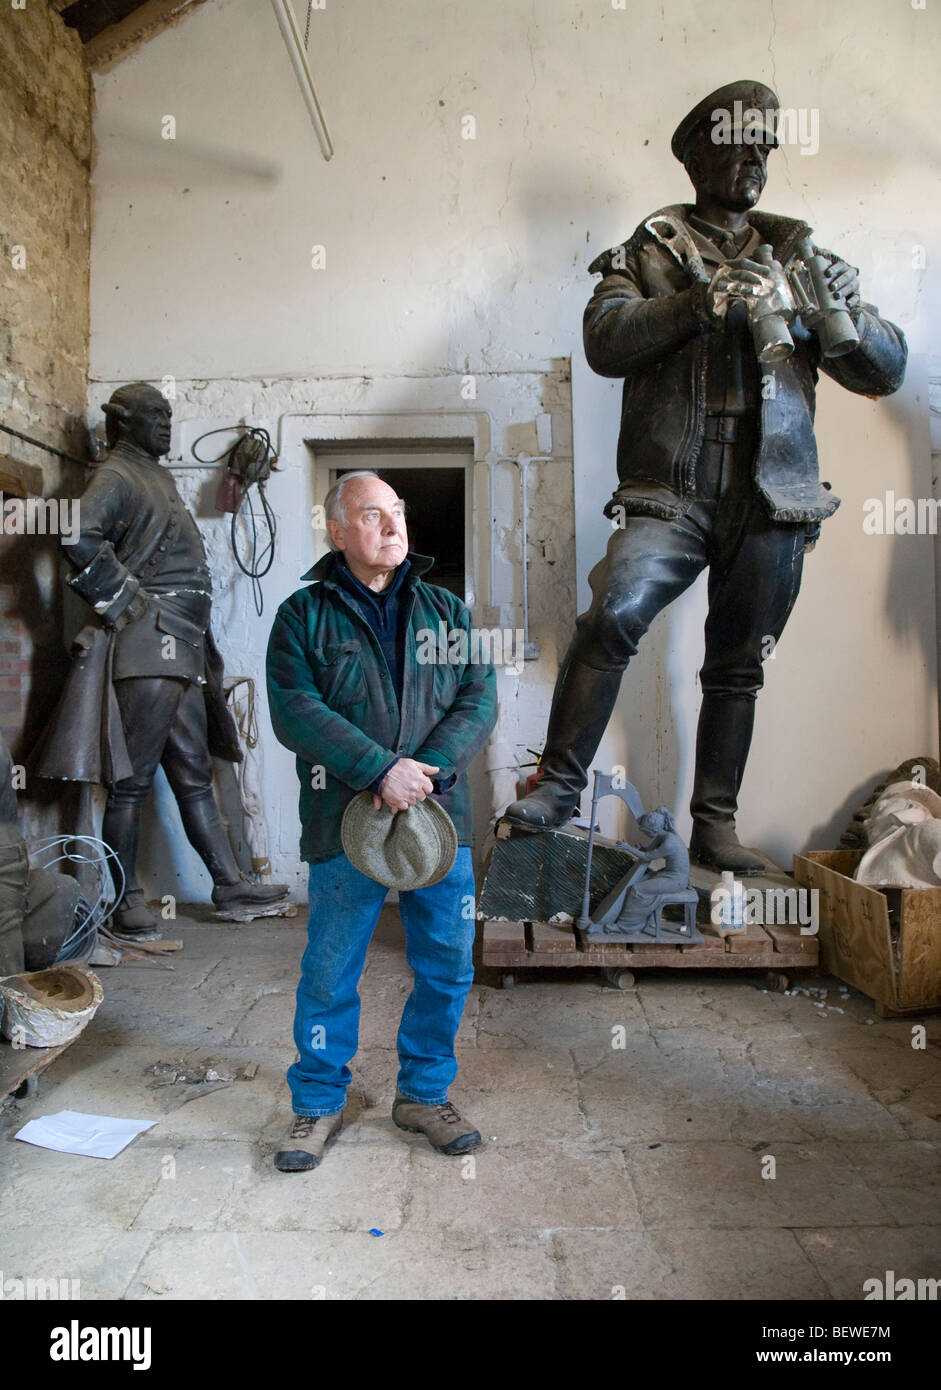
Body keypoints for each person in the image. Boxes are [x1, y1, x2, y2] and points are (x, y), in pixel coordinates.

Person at [503, 80, 907, 872]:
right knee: (613, 610)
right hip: (671, 492)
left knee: (738, 663)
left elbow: (884, 371)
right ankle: (556, 784)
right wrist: (698, 304)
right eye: (737, 140)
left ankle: (713, 825)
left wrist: (840, 322)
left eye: (766, 142)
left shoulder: (802, 255)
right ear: (696, 156)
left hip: (774, 495)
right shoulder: (650, 251)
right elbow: (605, 340)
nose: (755, 155)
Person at [266, 471, 497, 1172]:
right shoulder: (302, 616)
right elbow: (294, 709)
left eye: (397, 512)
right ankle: (317, 1100)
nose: (393, 526)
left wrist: (423, 767)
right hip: (346, 819)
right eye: (372, 515)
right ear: (337, 532)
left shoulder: (445, 611)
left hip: (438, 818)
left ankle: (423, 1094)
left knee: (448, 964)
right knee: (332, 968)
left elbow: (477, 698)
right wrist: (376, 769)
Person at [34, 382, 289, 933]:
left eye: (169, 414)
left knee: (194, 775)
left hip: (179, 647)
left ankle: (230, 886)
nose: (166, 423)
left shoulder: (152, 473)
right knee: (132, 784)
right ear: (122, 421)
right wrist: (128, 602)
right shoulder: (119, 473)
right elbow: (77, 535)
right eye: (155, 414)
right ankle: (124, 902)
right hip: (151, 646)